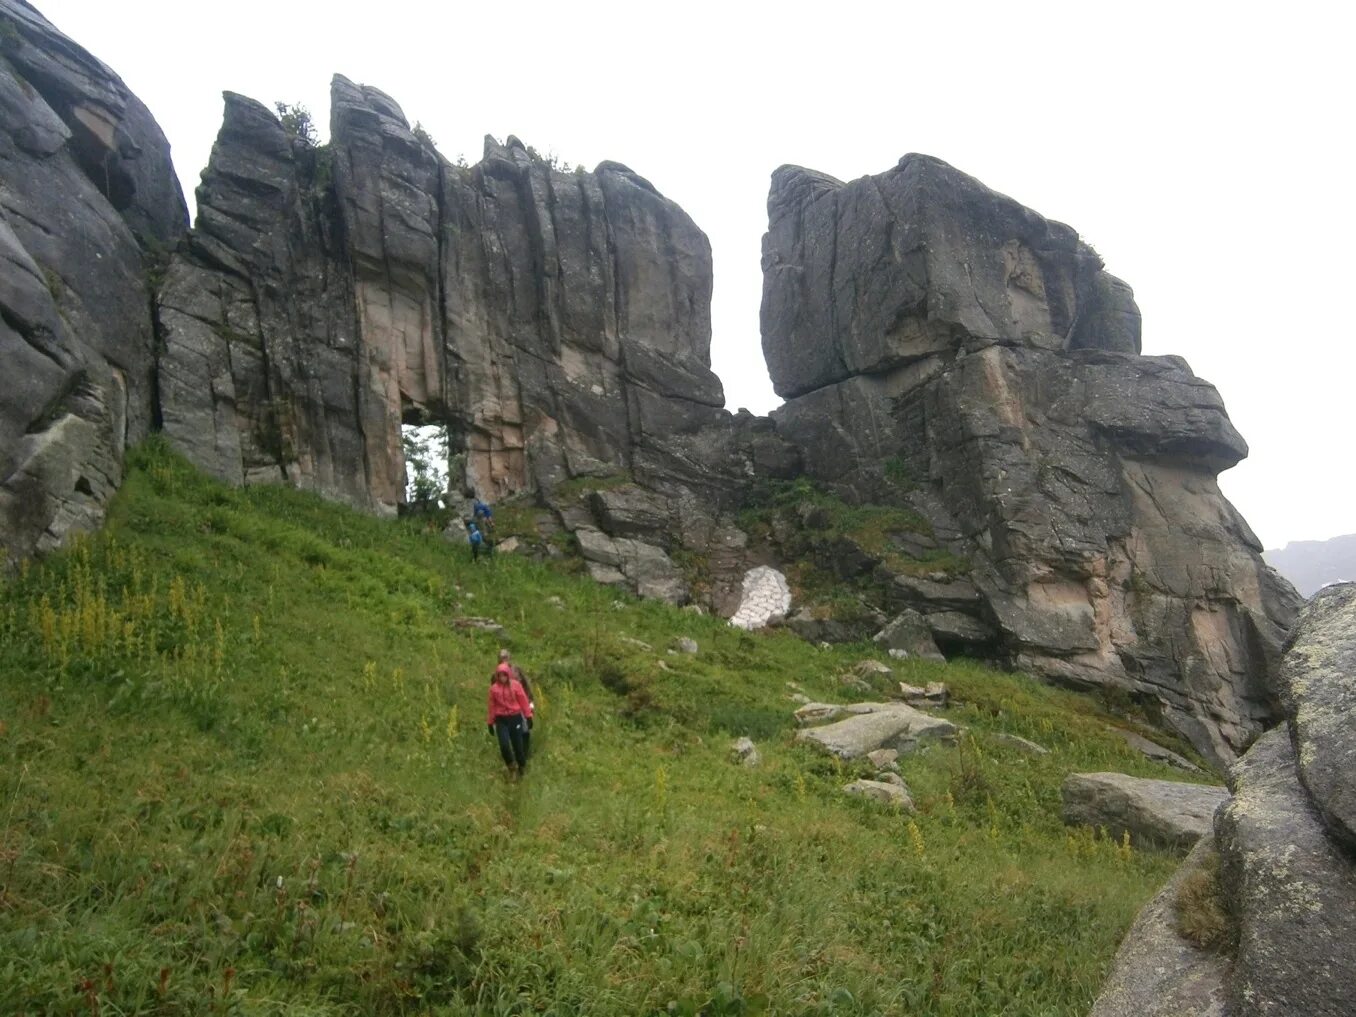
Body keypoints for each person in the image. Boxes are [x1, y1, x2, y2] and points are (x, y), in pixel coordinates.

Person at [486, 656, 532, 778]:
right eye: (500, 675)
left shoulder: (516, 686)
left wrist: (528, 717)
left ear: (508, 675)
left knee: (518, 745)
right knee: (504, 745)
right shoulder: (493, 689)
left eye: (504, 675)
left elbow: (523, 701)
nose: (502, 678)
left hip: (515, 717)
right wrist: (490, 722)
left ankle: (521, 765)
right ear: (497, 676)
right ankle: (511, 766)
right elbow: (492, 706)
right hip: (501, 720)